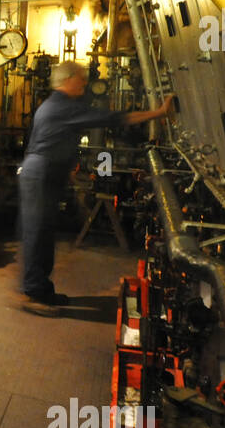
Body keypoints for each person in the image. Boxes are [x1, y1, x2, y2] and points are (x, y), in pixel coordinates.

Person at [17, 60, 174, 316]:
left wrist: (64, 170)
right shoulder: (62, 107)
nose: (85, 83)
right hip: (41, 174)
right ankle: (35, 295)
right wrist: (157, 113)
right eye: (81, 78)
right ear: (68, 80)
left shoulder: (54, 105)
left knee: (43, 233)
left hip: (43, 172)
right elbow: (112, 118)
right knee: (37, 234)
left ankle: (42, 290)